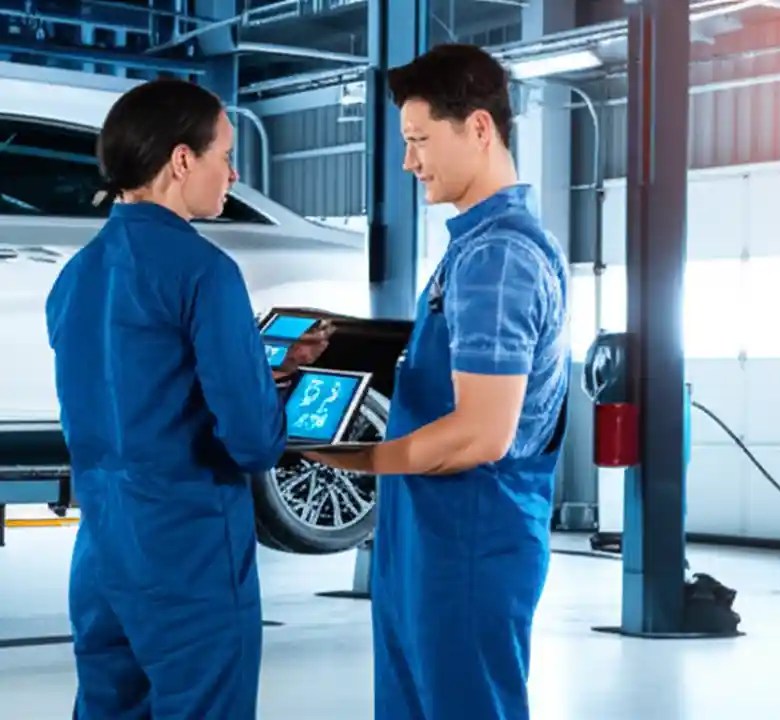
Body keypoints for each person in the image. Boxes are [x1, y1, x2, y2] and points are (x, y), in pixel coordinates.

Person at [45, 78, 329, 719]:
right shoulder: (207, 272)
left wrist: (254, 363)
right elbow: (254, 442)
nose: (231, 174)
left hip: (103, 553)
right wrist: (267, 391)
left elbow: (134, 384)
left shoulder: (76, 275)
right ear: (181, 161)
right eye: (224, 156)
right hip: (190, 553)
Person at [304, 44, 570, 720]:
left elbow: (481, 433)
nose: (408, 161)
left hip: (470, 537)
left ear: (479, 128)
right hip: (431, 533)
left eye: (420, 139)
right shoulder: (473, 248)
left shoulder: (499, 257)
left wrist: (356, 460)